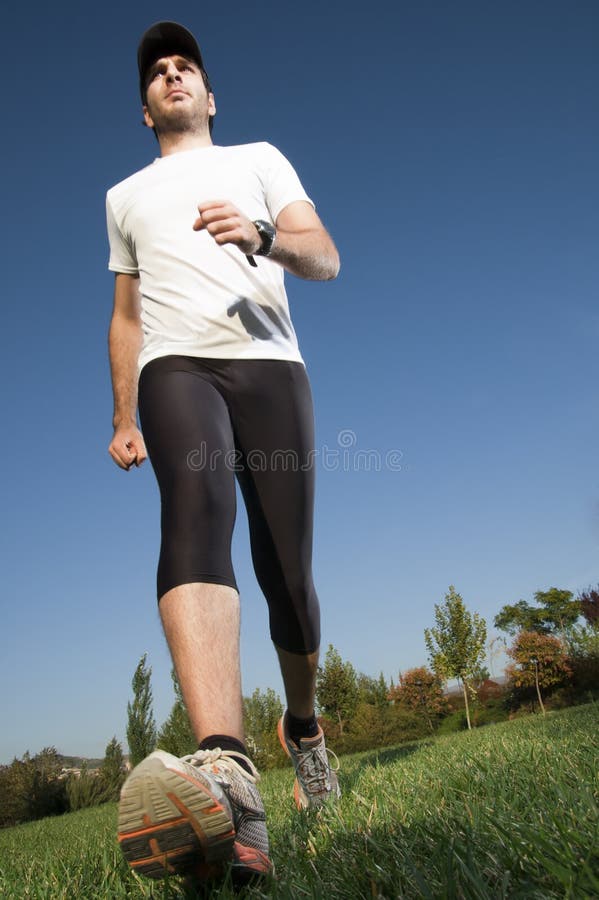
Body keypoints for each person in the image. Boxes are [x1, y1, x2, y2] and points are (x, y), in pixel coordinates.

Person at [106, 21, 341, 886]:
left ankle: (304, 726)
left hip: (271, 366)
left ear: (209, 96)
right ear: (146, 109)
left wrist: (262, 234)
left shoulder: (261, 157)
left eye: (185, 67)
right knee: (196, 509)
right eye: (158, 72)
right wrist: (125, 411)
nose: (172, 76)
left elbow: (325, 257)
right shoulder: (124, 196)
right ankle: (230, 777)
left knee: (289, 579)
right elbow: (128, 317)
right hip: (177, 367)